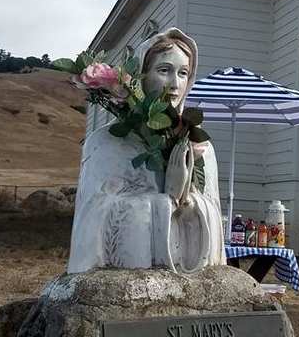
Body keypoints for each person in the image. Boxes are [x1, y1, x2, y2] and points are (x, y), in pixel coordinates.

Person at [67, 28, 225, 274]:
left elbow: (214, 215)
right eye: (164, 70)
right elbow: (94, 220)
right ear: (141, 75)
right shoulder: (107, 142)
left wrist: (187, 199)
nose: (175, 84)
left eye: (183, 73)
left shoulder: (199, 146)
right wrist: (166, 201)